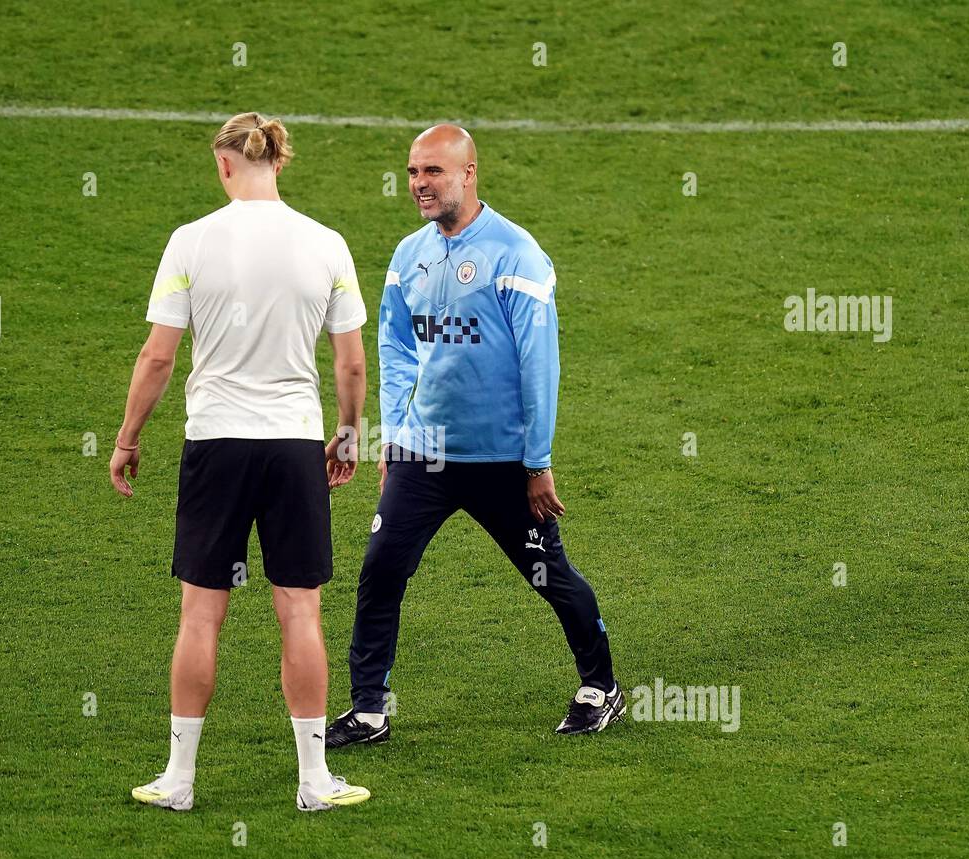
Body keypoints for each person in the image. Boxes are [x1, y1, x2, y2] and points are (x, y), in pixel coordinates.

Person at [326, 124, 623, 748]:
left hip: (502, 462)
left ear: (469, 173)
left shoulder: (516, 254)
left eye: (432, 172)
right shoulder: (410, 255)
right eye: (412, 172)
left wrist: (536, 463)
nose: (418, 185)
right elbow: (395, 347)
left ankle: (601, 685)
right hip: (424, 455)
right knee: (381, 569)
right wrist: (398, 435)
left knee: (548, 572)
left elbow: (539, 364)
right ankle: (370, 707)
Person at [110, 112, 371, 811]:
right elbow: (349, 364)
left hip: (217, 444)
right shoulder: (326, 244)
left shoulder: (191, 241)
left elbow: (159, 355)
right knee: (301, 613)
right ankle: (315, 781)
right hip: (292, 447)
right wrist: (347, 436)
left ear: (225, 165)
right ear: (277, 163)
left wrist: (129, 437)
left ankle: (180, 780)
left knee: (200, 616)